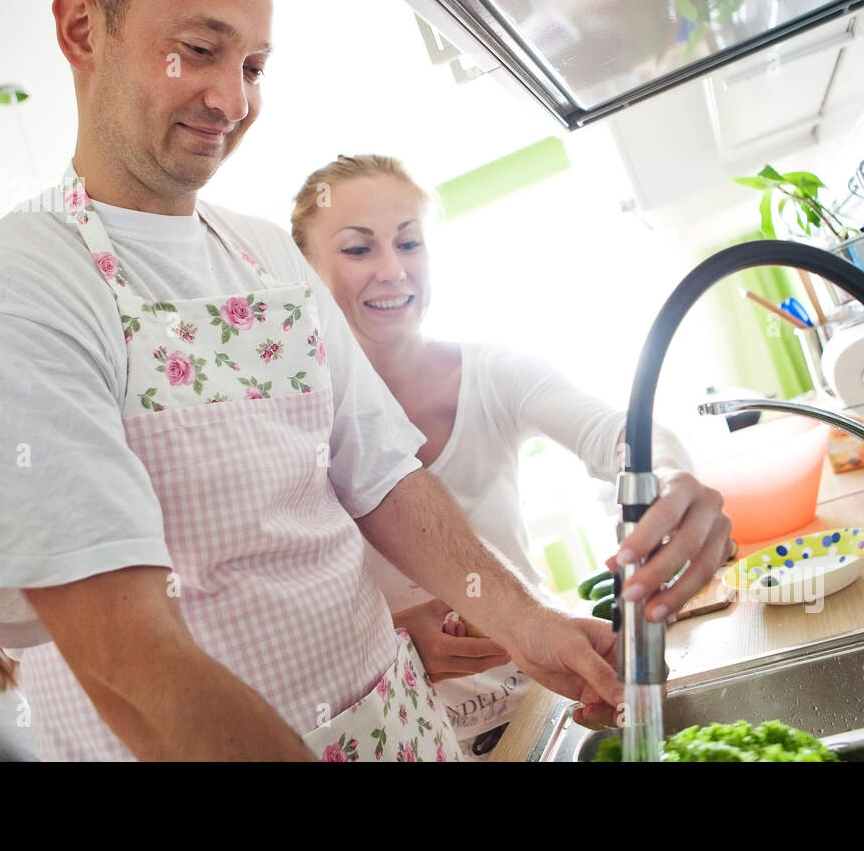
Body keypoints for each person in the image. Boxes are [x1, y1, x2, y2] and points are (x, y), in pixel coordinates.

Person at [0, 0, 731, 762]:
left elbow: (381, 478)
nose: (232, 100)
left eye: (254, 66)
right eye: (199, 50)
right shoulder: (12, 292)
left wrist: (530, 623)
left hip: (402, 729)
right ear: (83, 28)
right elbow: (131, 665)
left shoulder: (265, 254)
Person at [291, 155, 732, 756]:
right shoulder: (298, 423)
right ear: (306, 272)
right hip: (411, 734)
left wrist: (670, 477)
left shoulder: (493, 374)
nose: (393, 271)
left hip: (549, 696)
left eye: (409, 242)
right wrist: (386, 639)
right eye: (358, 250)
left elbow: (616, 435)